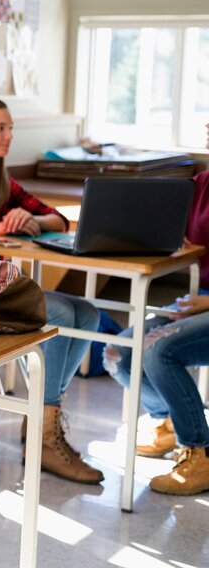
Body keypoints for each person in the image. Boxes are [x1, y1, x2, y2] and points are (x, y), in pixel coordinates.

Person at [0, 93, 103, 484]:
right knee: (60, 313)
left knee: (88, 313)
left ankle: (41, 419)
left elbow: (58, 221)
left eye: (11, 128)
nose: (9, 135)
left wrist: (29, 217)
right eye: (0, 127)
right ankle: (43, 434)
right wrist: (2, 228)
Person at [104, 121, 209, 495]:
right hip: (198, 299)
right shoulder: (200, 184)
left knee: (159, 351)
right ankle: (168, 422)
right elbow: (172, 234)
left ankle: (199, 452)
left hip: (204, 302)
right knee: (118, 352)